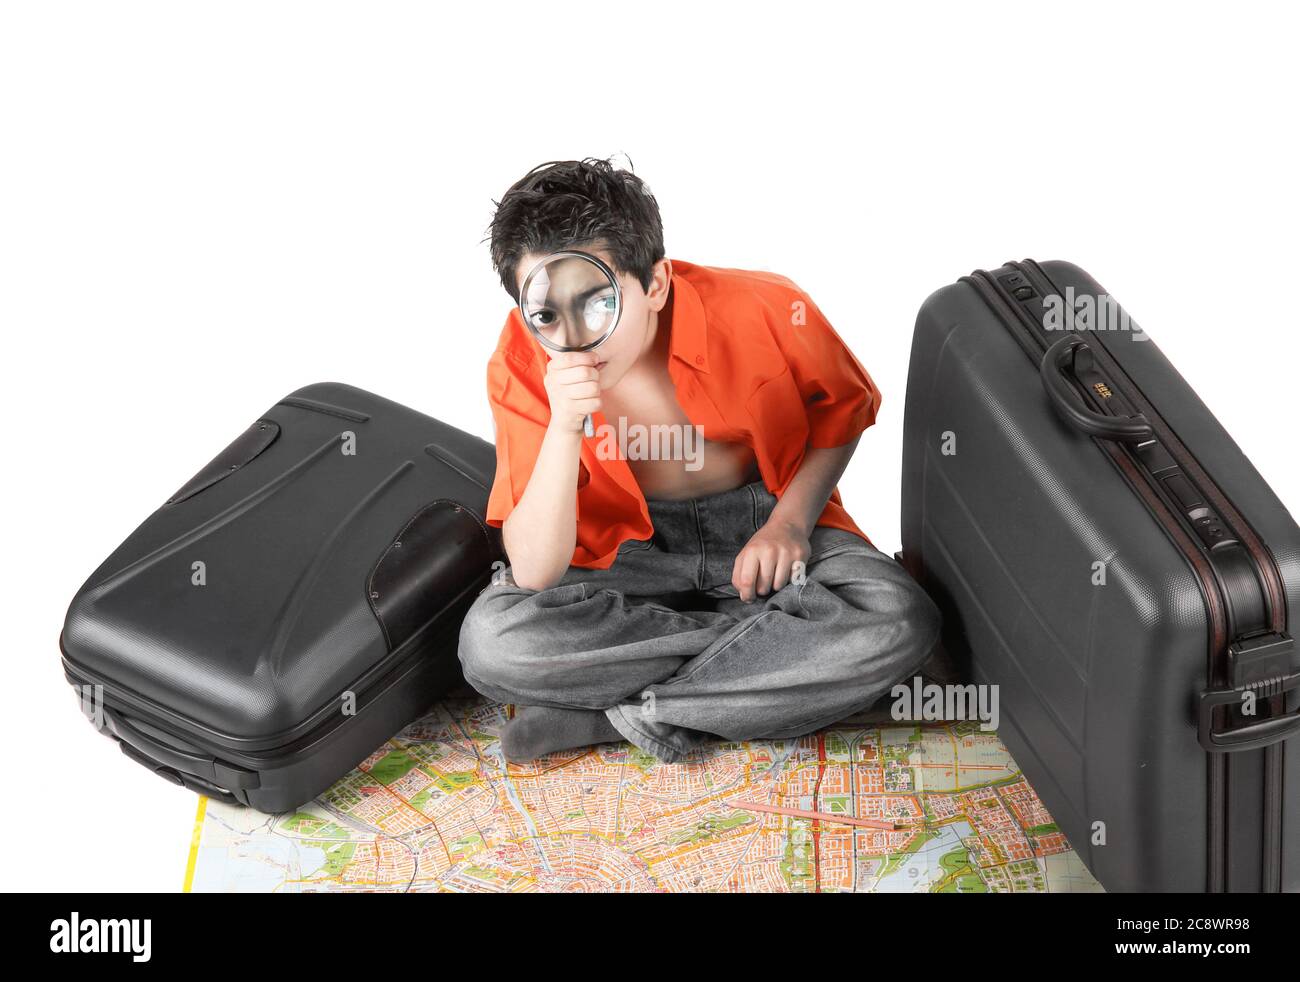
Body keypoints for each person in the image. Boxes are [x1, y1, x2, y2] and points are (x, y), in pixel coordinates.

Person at [457, 156, 941, 764]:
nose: (574, 335)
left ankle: (617, 715)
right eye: (547, 314)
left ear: (654, 284)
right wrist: (564, 424)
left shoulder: (765, 307)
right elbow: (533, 570)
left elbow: (843, 409)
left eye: (598, 302)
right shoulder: (521, 363)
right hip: (625, 556)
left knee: (900, 621)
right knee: (493, 645)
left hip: (763, 525)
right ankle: (767, 672)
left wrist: (789, 524)